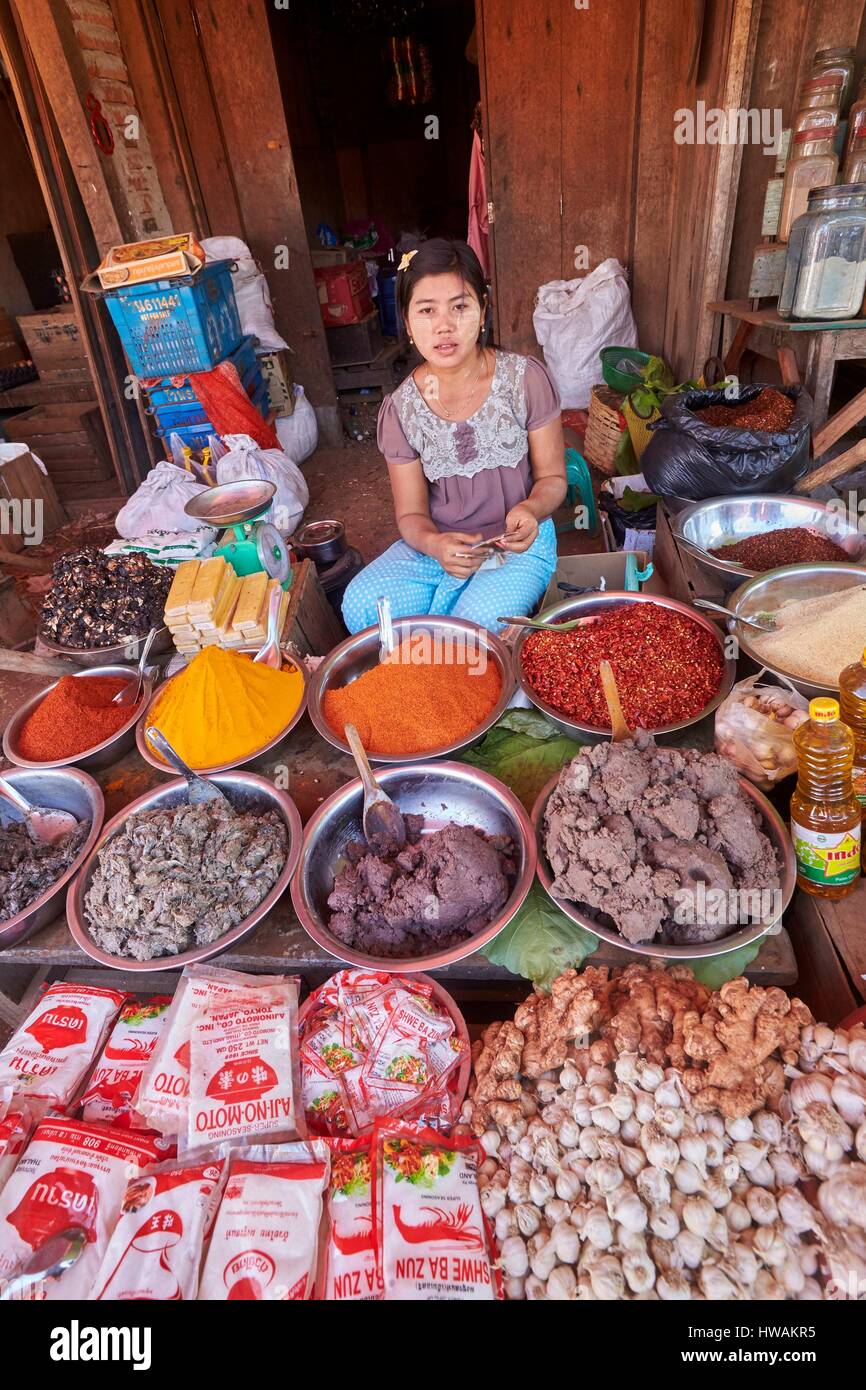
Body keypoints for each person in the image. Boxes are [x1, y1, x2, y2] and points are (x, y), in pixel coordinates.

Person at [341, 238, 566, 635]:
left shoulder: (523, 379)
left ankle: (445, 632)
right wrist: (435, 546)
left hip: (515, 547)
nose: (444, 326)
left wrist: (531, 510)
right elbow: (411, 516)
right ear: (408, 325)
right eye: (426, 311)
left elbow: (552, 480)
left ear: (482, 310)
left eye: (460, 307)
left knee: (471, 628)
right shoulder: (401, 409)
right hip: (438, 549)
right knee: (362, 606)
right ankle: (437, 628)